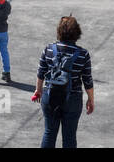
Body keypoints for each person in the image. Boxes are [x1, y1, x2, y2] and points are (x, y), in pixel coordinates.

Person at [34, 16, 93, 148]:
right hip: (72, 99)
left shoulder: (49, 49)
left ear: (59, 31)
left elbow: (41, 73)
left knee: (49, 133)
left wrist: (38, 90)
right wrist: (91, 99)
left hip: (50, 96)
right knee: (69, 137)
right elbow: (87, 80)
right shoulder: (83, 54)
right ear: (77, 32)